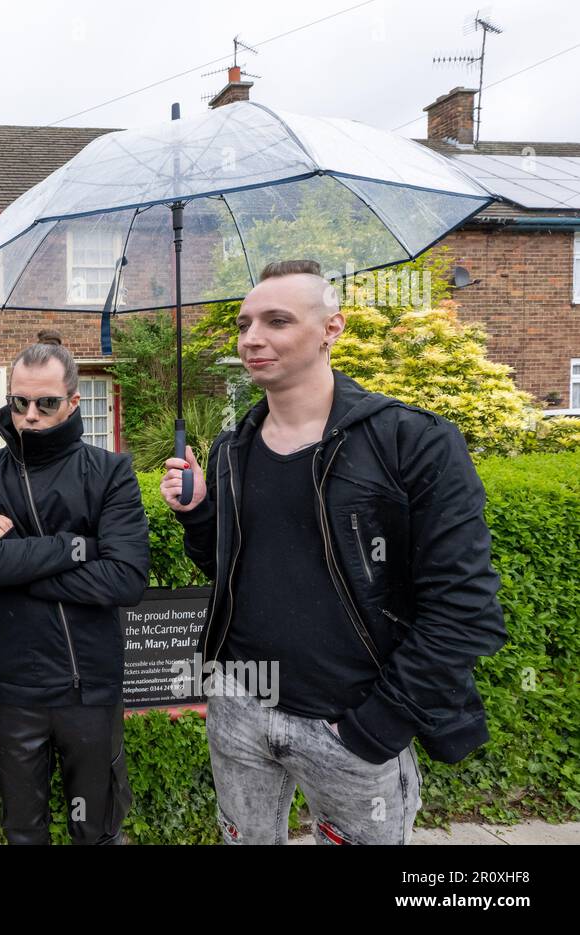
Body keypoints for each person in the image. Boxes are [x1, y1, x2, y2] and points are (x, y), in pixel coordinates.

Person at [161, 259, 507, 845]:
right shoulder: (231, 449)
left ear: (331, 329)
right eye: (245, 324)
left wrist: (379, 724)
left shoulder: (412, 442)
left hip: (350, 722)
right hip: (241, 707)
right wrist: (198, 514)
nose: (253, 338)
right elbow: (228, 573)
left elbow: (464, 608)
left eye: (277, 321)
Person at [0, 330, 149, 845]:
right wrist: (72, 546)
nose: (30, 415)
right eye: (19, 403)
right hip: (17, 689)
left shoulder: (110, 473)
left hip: (90, 687)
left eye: (45, 403)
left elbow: (126, 578)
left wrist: (18, 555)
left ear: (72, 401)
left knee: (97, 830)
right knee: (23, 830)